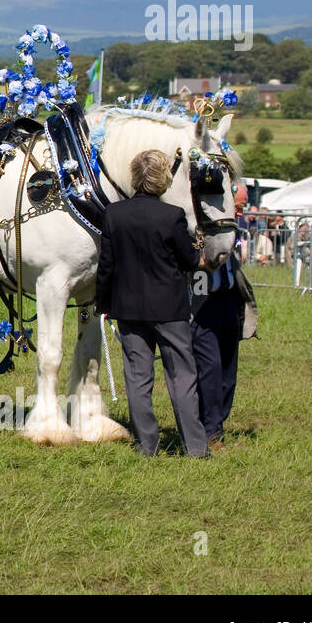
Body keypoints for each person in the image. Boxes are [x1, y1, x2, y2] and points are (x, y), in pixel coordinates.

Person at [97, 149, 210, 458]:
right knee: (182, 376)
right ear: (164, 179)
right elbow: (189, 261)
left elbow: (106, 265)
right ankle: (196, 447)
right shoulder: (172, 216)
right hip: (169, 309)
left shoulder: (113, 214)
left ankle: (147, 445)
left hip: (128, 307)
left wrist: (103, 303)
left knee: (137, 378)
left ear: (135, 177)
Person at [190, 181, 250, 451]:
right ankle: (209, 432)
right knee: (210, 369)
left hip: (229, 299)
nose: (240, 213)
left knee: (228, 371)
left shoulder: (234, 231)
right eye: (238, 207)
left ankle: (218, 426)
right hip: (203, 305)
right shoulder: (203, 228)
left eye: (242, 208)